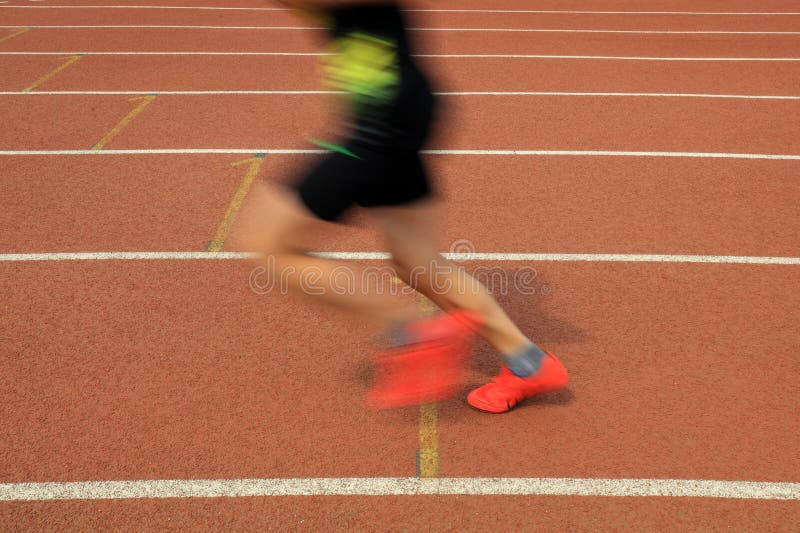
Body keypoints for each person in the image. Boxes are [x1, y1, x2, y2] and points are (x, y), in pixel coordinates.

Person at [240, 0, 568, 412]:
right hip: (398, 116)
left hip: (381, 127)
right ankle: (528, 363)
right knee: (417, 261)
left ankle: (410, 330)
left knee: (268, 245)